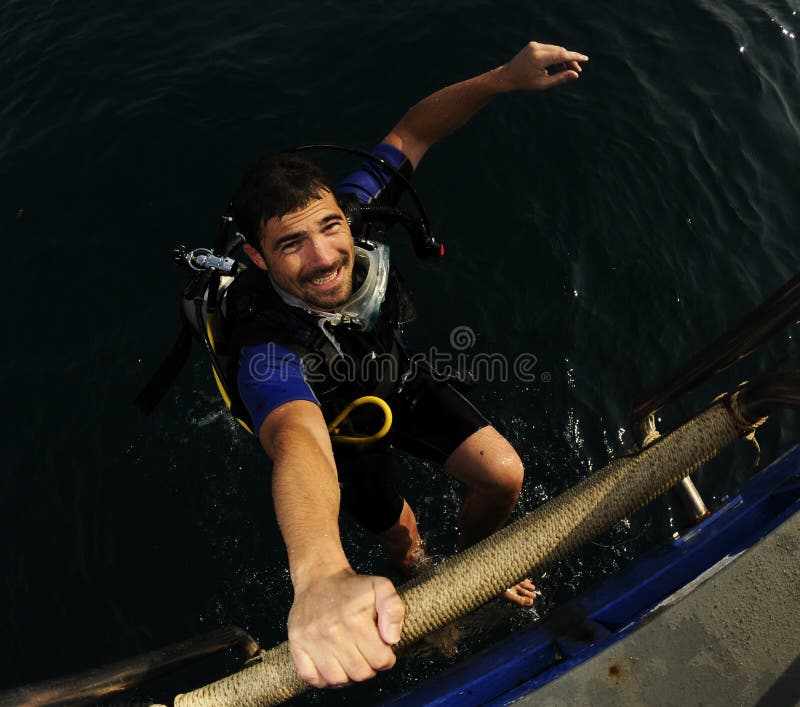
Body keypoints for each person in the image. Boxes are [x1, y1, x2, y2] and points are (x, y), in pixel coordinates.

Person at [227, 40, 589, 689]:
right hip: (346, 430)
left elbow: (413, 130)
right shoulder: (265, 347)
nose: (325, 256)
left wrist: (504, 77)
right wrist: (320, 573)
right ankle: (422, 568)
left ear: (342, 211)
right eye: (290, 244)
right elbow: (297, 440)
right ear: (258, 259)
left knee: (504, 474)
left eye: (329, 226)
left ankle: (472, 567)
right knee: (402, 538)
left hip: (399, 378)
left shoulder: (355, 215)